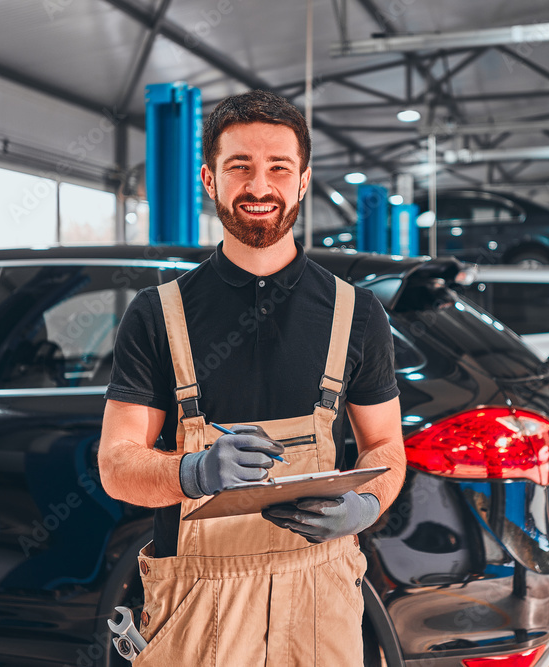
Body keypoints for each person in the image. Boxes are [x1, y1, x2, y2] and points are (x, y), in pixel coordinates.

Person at [99, 89, 406, 666]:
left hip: (322, 596)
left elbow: (387, 446)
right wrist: (191, 471)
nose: (259, 187)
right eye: (239, 167)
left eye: (278, 168)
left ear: (303, 180)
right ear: (209, 180)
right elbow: (117, 467)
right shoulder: (158, 314)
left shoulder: (357, 315)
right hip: (196, 605)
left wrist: (364, 504)